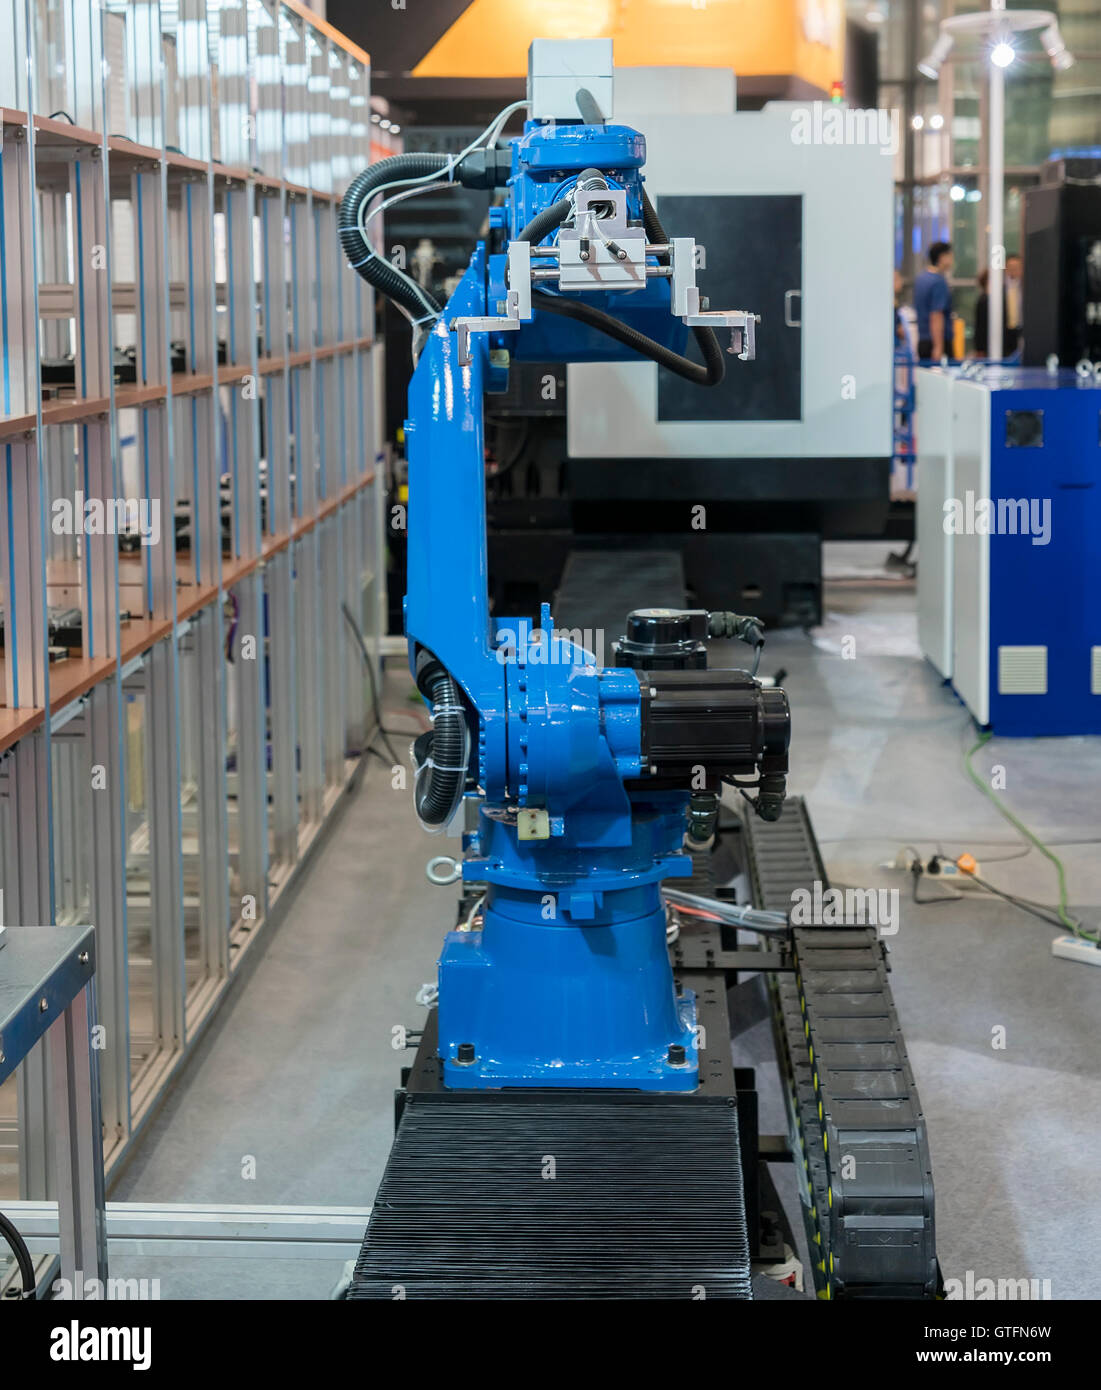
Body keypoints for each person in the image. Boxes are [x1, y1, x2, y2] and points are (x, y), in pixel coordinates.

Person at [914, 242, 954, 362]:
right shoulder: (938, 282)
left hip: (923, 340)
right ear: (942, 257)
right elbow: (936, 315)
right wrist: (938, 347)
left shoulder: (921, 279)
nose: (952, 260)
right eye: (950, 256)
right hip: (937, 342)